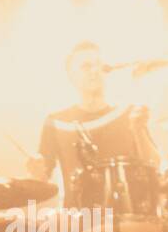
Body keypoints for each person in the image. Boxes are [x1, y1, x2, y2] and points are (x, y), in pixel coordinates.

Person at [27, 41, 159, 198]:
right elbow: (41, 180)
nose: (95, 71)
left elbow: (154, 164)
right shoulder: (56, 122)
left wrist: (138, 130)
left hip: (127, 216)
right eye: (86, 66)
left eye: (99, 65)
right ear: (70, 75)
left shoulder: (129, 114)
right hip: (80, 217)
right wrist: (35, 171)